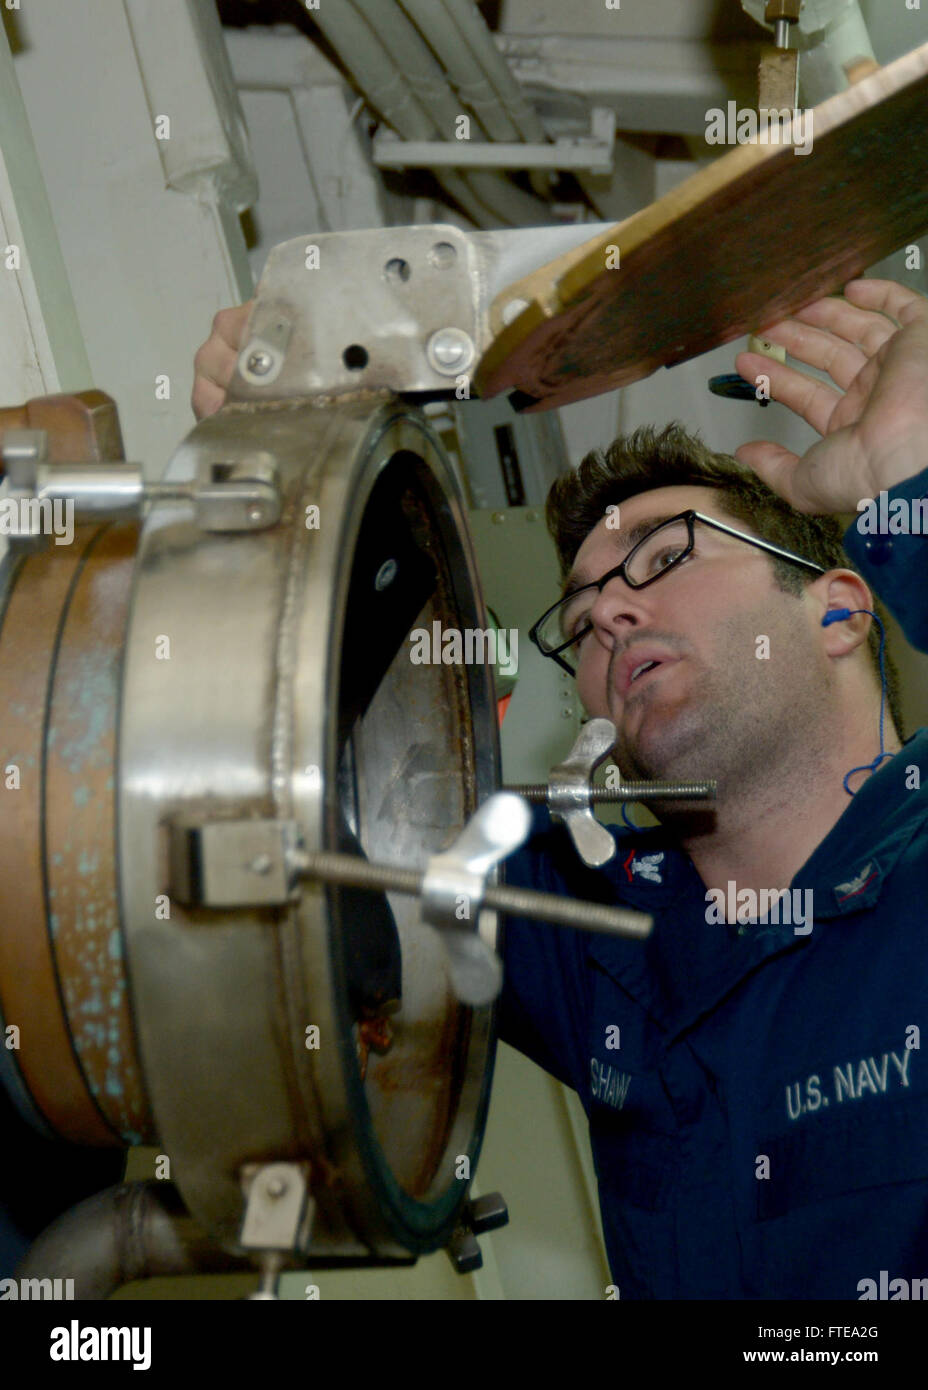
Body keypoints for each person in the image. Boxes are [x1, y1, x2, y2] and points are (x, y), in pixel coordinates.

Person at [192, 278, 928, 1299]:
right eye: (577, 622)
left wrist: (911, 482)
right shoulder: (597, 939)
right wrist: (286, 505)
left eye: (662, 556)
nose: (609, 618)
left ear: (839, 610)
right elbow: (337, 792)